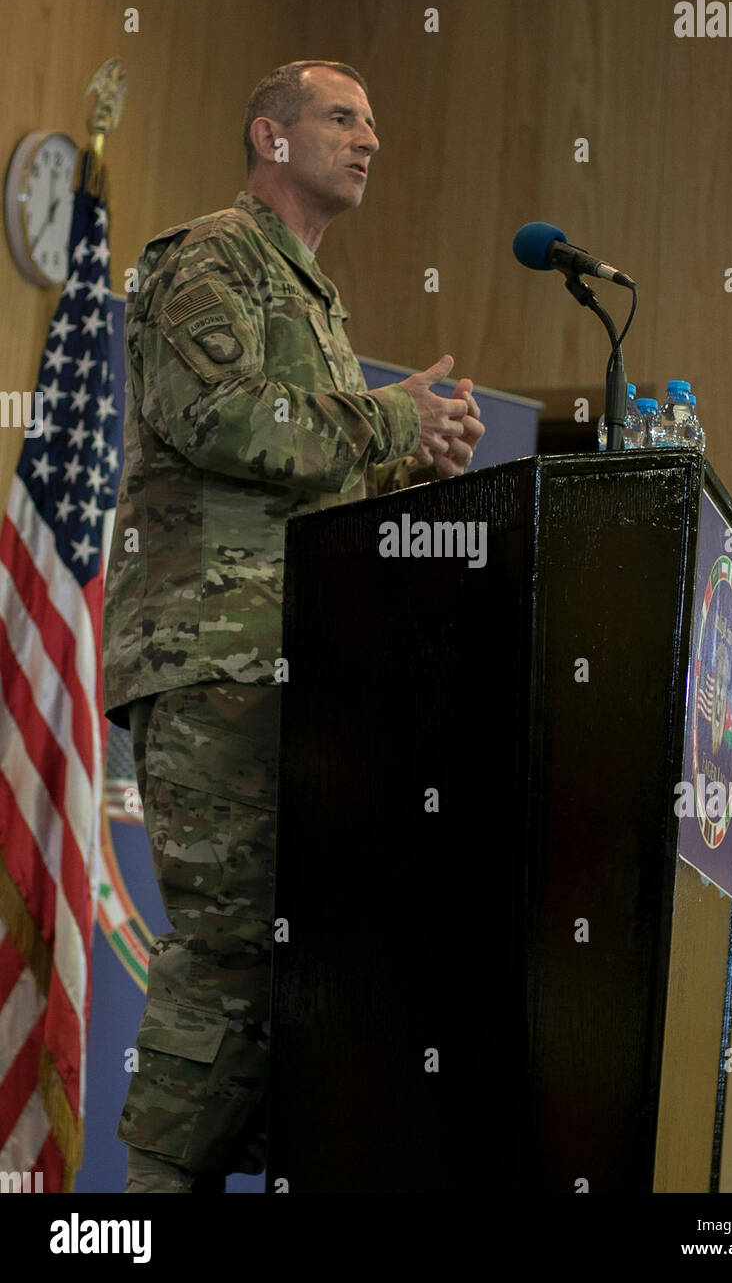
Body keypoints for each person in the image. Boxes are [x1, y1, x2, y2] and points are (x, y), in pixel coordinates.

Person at [102, 59, 486, 1192]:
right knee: (228, 954)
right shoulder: (206, 258)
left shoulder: (313, 301)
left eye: (373, 121)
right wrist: (384, 415)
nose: (367, 138)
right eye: (340, 116)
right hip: (209, 654)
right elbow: (218, 420)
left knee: (286, 957)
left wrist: (404, 453)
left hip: (296, 662)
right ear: (270, 136)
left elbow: (306, 494)